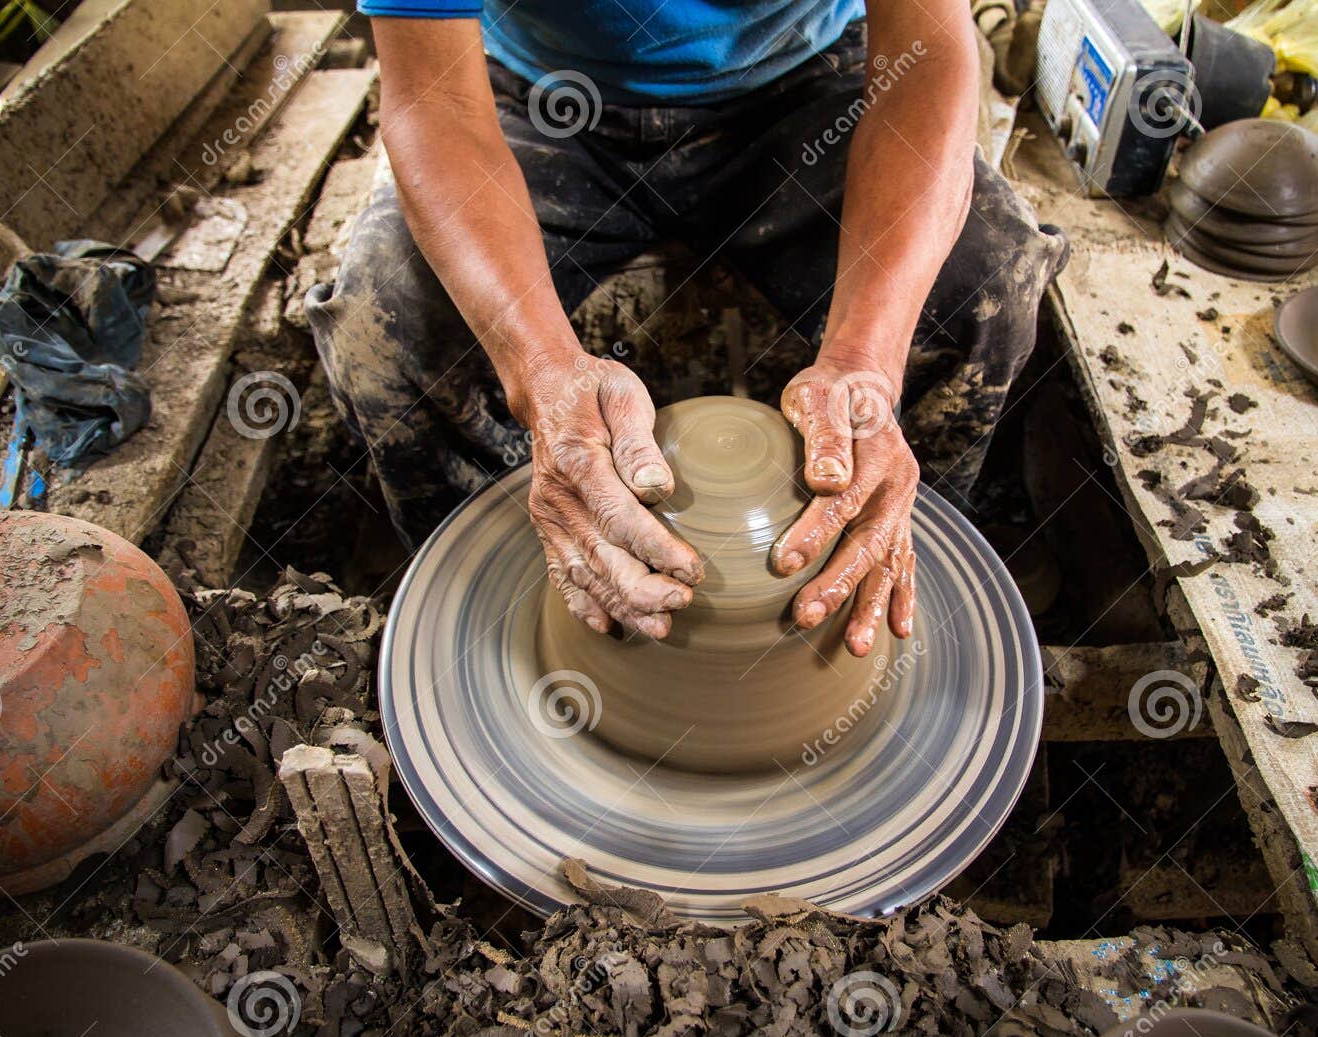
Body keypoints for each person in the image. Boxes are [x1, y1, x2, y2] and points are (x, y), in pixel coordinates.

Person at [308, 0, 1068, 657]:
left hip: (800, 85)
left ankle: (893, 580)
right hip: (539, 101)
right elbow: (433, 101)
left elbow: (928, 49)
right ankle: (501, 619)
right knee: (387, 327)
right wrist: (541, 371)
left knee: (985, 287)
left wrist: (864, 361)